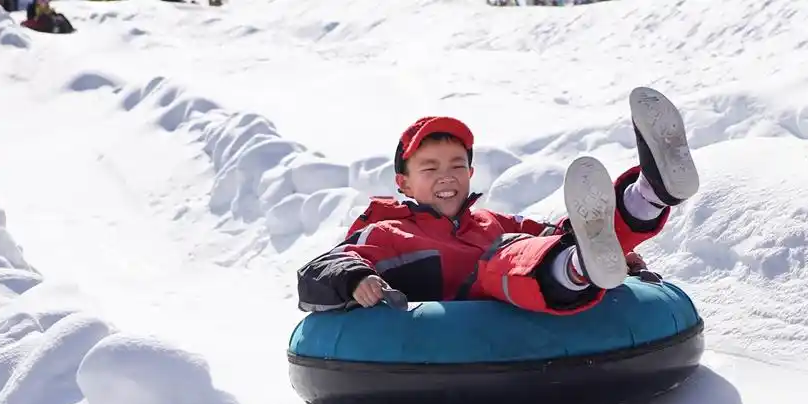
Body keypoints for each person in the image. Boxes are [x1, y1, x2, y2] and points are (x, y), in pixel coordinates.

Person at [296, 86, 699, 316]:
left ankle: (650, 193)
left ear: (471, 174)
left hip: (534, 286)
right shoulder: (387, 230)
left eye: (457, 165)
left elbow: (556, 233)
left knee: (562, 237)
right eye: (430, 168)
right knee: (500, 261)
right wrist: (355, 280)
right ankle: (580, 267)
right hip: (463, 320)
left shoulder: (491, 221)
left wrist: (610, 249)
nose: (446, 176)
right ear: (403, 182)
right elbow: (324, 266)